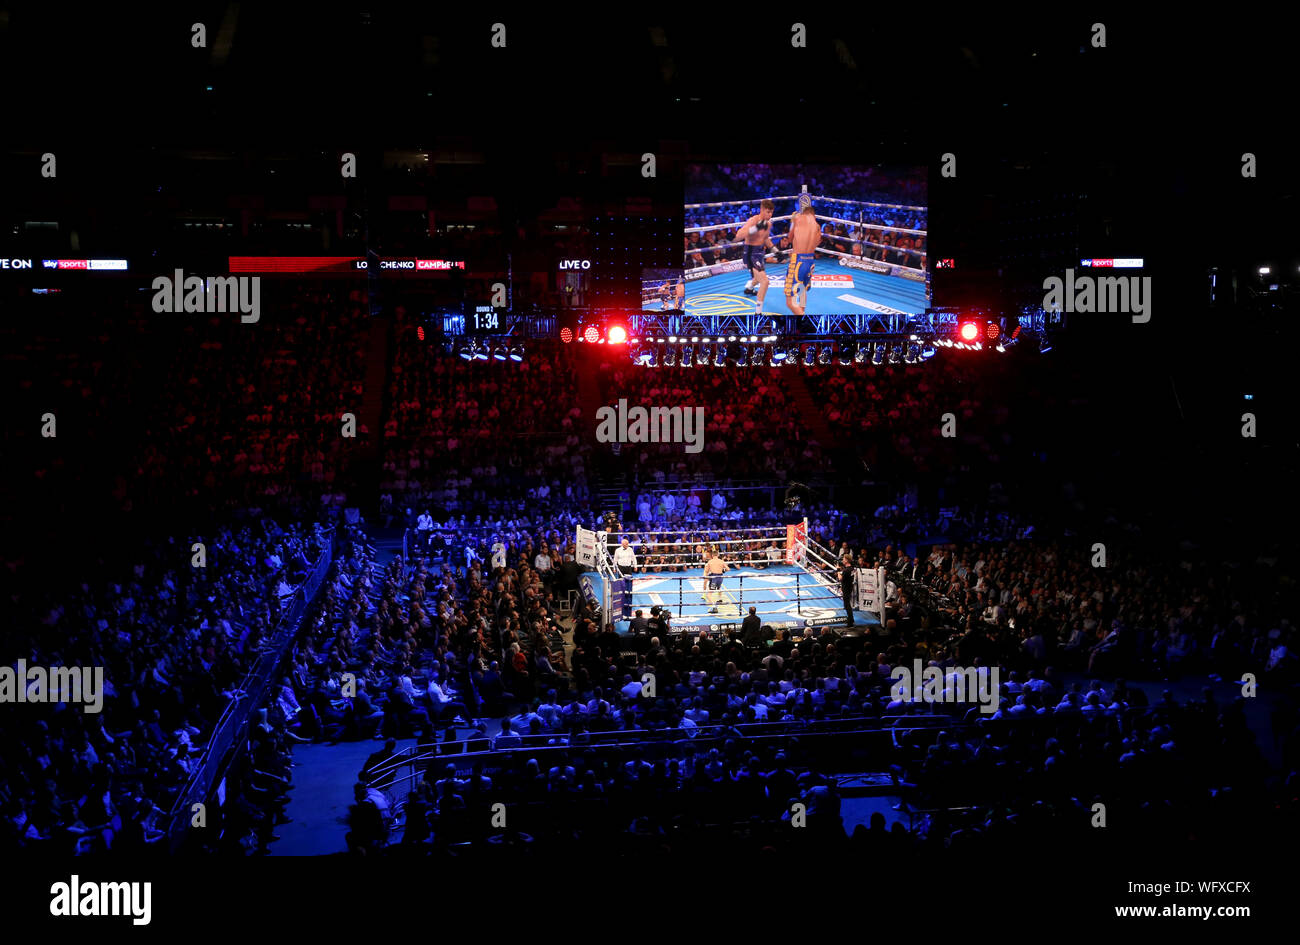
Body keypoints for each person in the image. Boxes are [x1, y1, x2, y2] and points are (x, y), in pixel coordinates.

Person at [736, 199, 778, 314]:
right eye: (767, 212)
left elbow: (765, 238)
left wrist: (775, 250)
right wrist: (754, 228)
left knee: (757, 278)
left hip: (759, 253)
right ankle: (758, 312)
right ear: (761, 210)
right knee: (764, 281)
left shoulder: (768, 224)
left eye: (771, 212)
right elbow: (739, 234)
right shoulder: (753, 220)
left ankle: (749, 289)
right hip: (750, 254)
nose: (770, 215)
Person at [782, 194, 819, 316]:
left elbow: (789, 237)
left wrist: (793, 221)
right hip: (810, 261)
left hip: (798, 260)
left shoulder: (798, 217)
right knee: (802, 290)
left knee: (789, 301)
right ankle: (801, 313)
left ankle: (803, 322)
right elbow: (818, 242)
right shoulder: (817, 226)